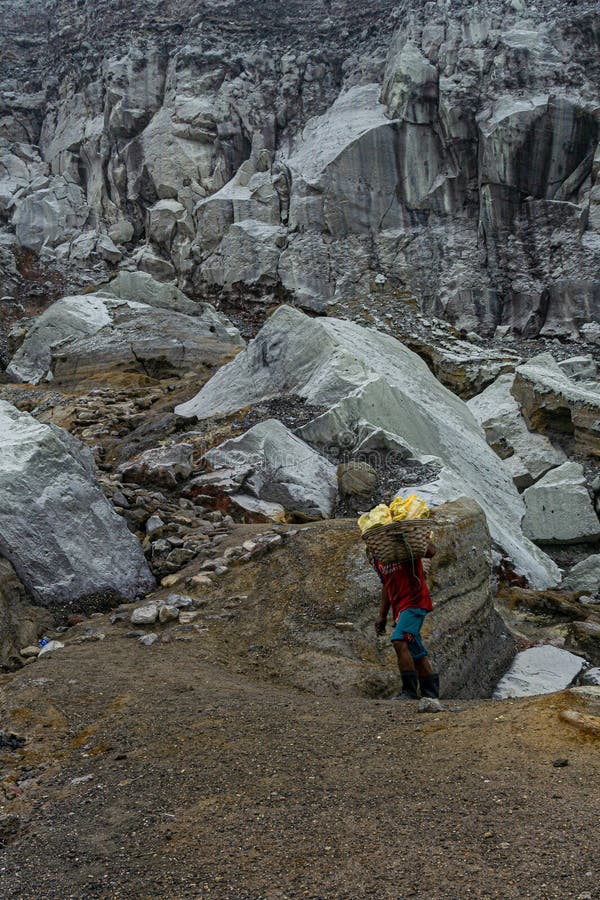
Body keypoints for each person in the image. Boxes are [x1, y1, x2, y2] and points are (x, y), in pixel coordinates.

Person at [371, 542, 439, 701]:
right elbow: (386, 584)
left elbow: (431, 551)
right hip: (400, 608)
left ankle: (409, 692)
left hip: (415, 603)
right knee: (416, 652)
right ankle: (431, 694)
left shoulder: (404, 545)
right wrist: (382, 615)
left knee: (399, 640)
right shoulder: (379, 556)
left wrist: (407, 538)